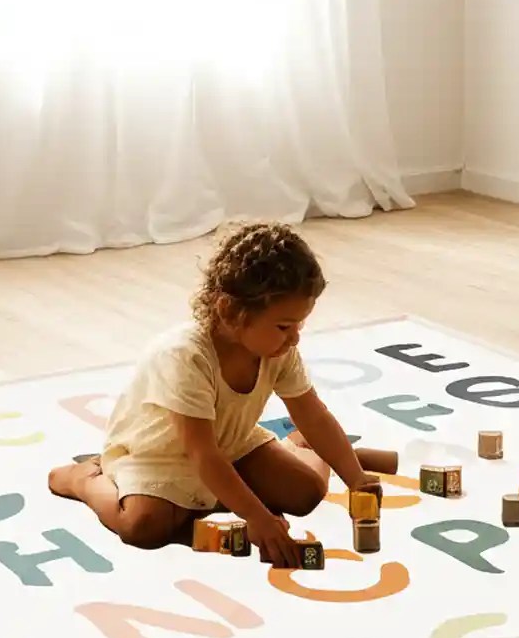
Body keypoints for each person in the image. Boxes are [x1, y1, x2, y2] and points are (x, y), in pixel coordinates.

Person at [48, 221, 378, 567]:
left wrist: (355, 477)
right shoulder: (186, 356)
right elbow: (202, 453)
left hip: (232, 443)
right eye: (284, 326)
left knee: (307, 493)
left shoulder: (277, 350)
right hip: (160, 455)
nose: (295, 337)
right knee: (143, 527)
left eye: (300, 324)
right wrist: (257, 516)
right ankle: (83, 480)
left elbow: (313, 414)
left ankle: (248, 478)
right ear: (230, 311)